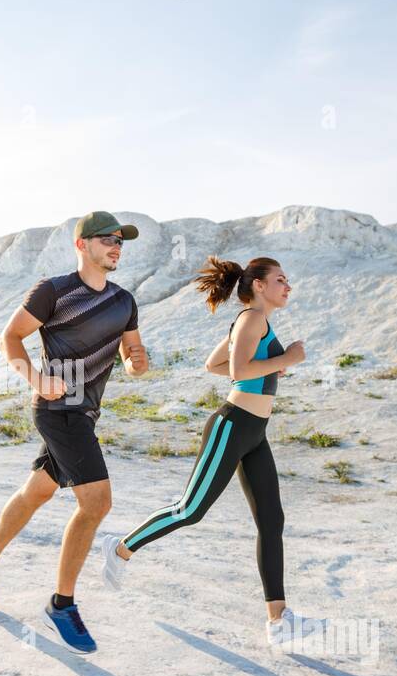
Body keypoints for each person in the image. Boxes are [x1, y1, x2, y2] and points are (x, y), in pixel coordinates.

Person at [99, 256, 325, 647]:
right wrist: (286, 359)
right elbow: (237, 371)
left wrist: (271, 367)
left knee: (271, 521)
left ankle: (279, 620)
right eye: (280, 279)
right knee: (190, 510)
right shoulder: (251, 319)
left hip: (256, 432)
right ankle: (120, 549)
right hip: (232, 426)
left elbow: (213, 364)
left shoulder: (254, 321)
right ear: (258, 285)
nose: (288, 286)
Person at [0, 211, 148, 653]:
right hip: (58, 409)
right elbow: (11, 337)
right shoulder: (54, 291)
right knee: (97, 501)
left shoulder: (125, 300)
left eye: (121, 240)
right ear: (82, 245)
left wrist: (136, 361)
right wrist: (36, 380)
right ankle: (61, 604)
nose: (116, 245)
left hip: (87, 412)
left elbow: (131, 348)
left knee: (39, 491)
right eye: (107, 239)